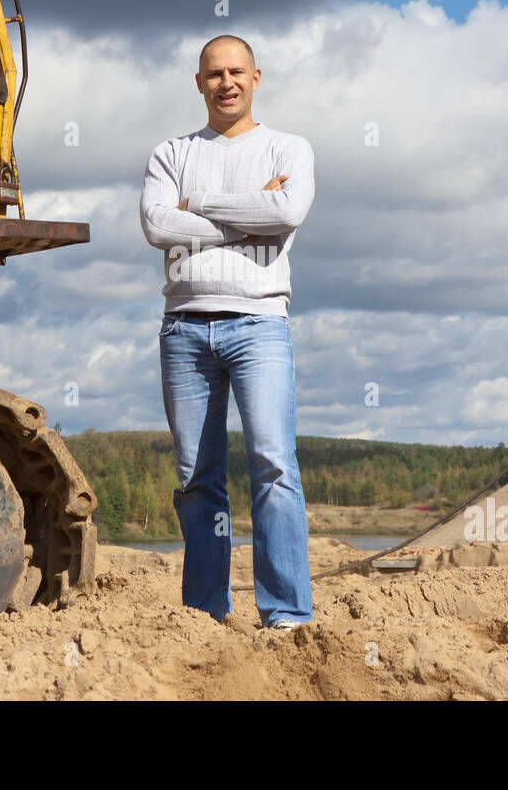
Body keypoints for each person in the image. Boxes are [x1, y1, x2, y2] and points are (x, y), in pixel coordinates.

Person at [138, 34, 315, 629]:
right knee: (195, 479)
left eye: (236, 72)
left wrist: (203, 205)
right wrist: (245, 217)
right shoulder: (171, 152)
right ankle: (205, 614)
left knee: (272, 464)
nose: (226, 83)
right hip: (183, 328)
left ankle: (286, 614)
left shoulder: (287, 148)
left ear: (257, 77)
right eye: (214, 74)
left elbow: (286, 213)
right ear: (199, 83)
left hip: (260, 323)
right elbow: (159, 226)